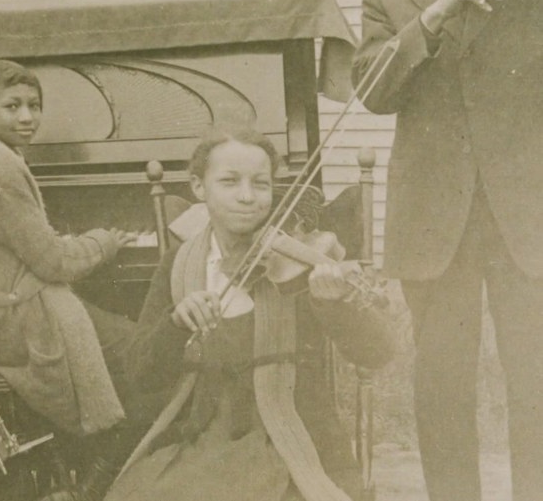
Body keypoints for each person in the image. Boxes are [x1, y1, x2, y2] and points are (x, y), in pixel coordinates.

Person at [354, 0, 543, 500]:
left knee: (538, 384)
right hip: (435, 222)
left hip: (527, 212)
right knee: (441, 387)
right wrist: (437, 10)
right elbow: (372, 91)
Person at [106, 127, 394, 501]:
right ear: (198, 187)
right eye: (229, 182)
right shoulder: (179, 263)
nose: (247, 197)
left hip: (292, 439)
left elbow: (378, 353)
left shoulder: (295, 261)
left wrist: (333, 305)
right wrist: (175, 323)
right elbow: (140, 374)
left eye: (261, 184)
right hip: (200, 440)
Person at [0, 59, 140, 501]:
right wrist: (102, 241)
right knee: (139, 347)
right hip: (20, 326)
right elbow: (56, 264)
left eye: (34, 105)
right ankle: (99, 472)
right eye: (12, 106)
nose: (26, 117)